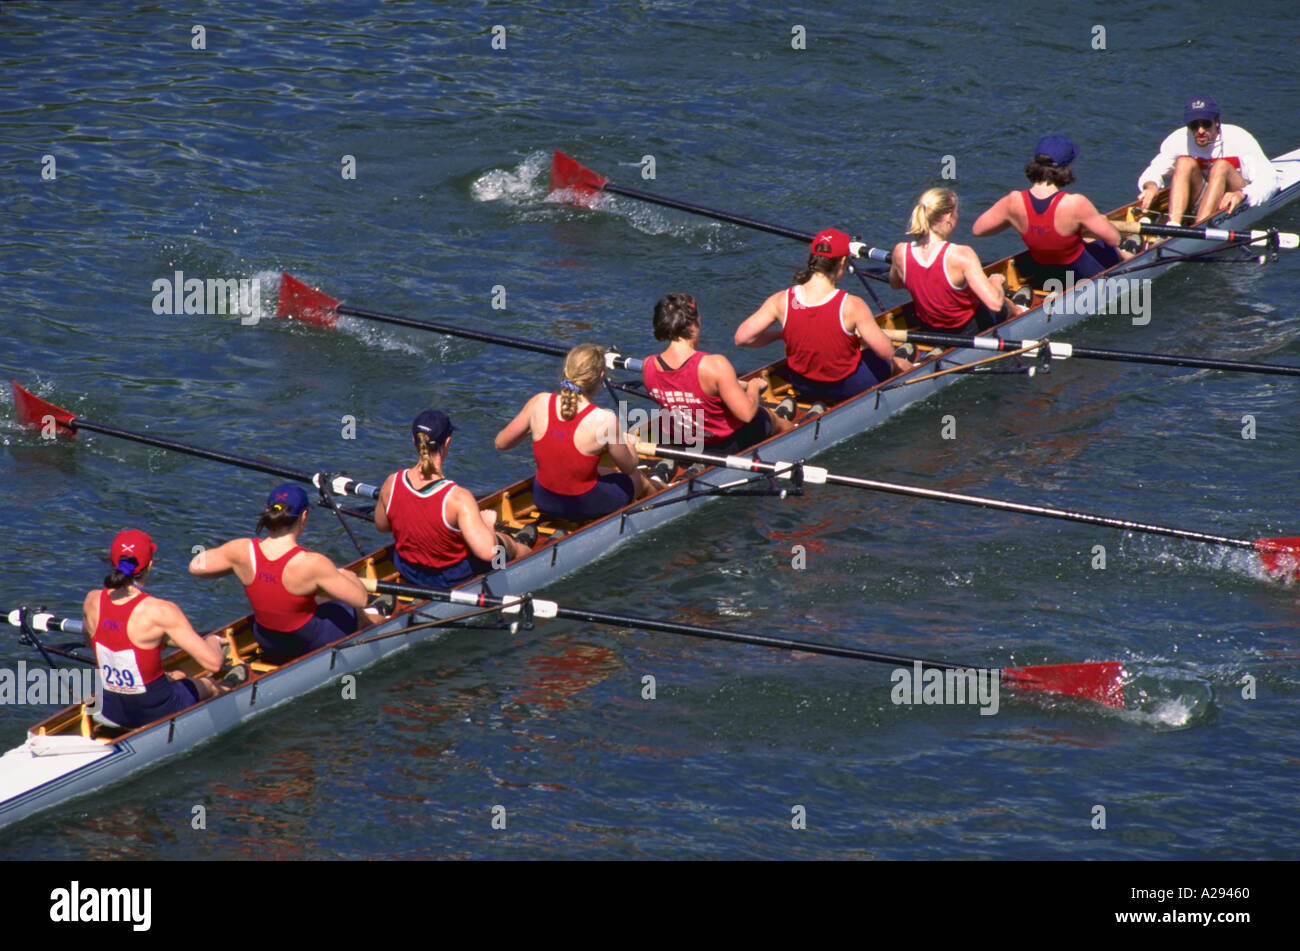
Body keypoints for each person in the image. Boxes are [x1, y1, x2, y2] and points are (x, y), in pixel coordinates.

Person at [190, 483, 376, 661]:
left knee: (318, 600)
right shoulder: (312, 563)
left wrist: (236, 568)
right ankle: (378, 620)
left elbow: (196, 567)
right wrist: (348, 576)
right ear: (304, 516)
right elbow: (360, 599)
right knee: (350, 608)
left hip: (266, 639)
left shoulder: (241, 550)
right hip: (306, 641)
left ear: (269, 510)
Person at [734, 228, 910, 409]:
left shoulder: (781, 300)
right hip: (848, 385)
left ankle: (807, 407)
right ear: (842, 261)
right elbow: (886, 352)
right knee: (896, 362)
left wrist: (780, 335)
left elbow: (742, 338)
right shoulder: (852, 305)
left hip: (804, 385)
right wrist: (862, 337)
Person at [85, 529, 233, 730]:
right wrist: (214, 641)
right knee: (209, 685)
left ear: (112, 562)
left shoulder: (92, 600)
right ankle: (231, 694)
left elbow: (89, 641)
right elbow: (214, 664)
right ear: (150, 565)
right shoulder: (161, 611)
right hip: (152, 712)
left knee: (178, 674)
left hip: (111, 709)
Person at [374, 411, 533, 589]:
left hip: (408, 569)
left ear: (414, 440)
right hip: (451, 579)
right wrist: (488, 524)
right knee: (504, 543)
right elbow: (488, 553)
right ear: (447, 443)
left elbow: (382, 526)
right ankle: (526, 550)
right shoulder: (457, 498)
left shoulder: (391, 483)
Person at [495, 344, 654, 520]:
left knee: (603, 471)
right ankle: (660, 504)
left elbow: (501, 443)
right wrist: (628, 441)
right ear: (602, 376)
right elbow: (629, 467)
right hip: (582, 504)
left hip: (543, 498)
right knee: (638, 479)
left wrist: (536, 427)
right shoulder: (604, 420)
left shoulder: (538, 402)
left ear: (566, 370)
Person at [642, 292, 792, 452]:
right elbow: (746, 414)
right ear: (693, 324)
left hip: (688, 438)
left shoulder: (648, 366)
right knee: (768, 417)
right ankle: (795, 431)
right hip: (723, 443)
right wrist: (754, 387)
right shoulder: (714, 365)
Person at [971, 135, 1125, 286]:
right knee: (1108, 246)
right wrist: (1101, 223)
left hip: (1044, 274)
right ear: (1066, 168)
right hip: (1080, 274)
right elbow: (1115, 239)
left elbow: (978, 230)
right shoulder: (1076, 203)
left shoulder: (1013, 201)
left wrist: (1012, 219)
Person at [890, 188, 1024, 334]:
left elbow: (896, 284)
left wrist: (928, 282)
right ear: (948, 216)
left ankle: (938, 348)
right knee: (1005, 303)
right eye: (956, 212)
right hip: (965, 329)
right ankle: (1021, 311)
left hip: (929, 327)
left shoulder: (900, 251)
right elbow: (995, 304)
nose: (957, 216)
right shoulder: (961, 254)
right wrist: (995, 281)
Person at [1136, 95, 1277, 225]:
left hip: (1232, 197)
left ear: (1216, 121)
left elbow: (1268, 180)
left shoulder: (1239, 138)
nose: (1200, 130)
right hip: (1200, 197)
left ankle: (1199, 228)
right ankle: (1173, 226)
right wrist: (1151, 187)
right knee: (1184, 162)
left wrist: (1242, 194)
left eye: (1205, 123)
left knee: (1221, 166)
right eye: (1194, 125)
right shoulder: (1178, 139)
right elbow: (1154, 170)